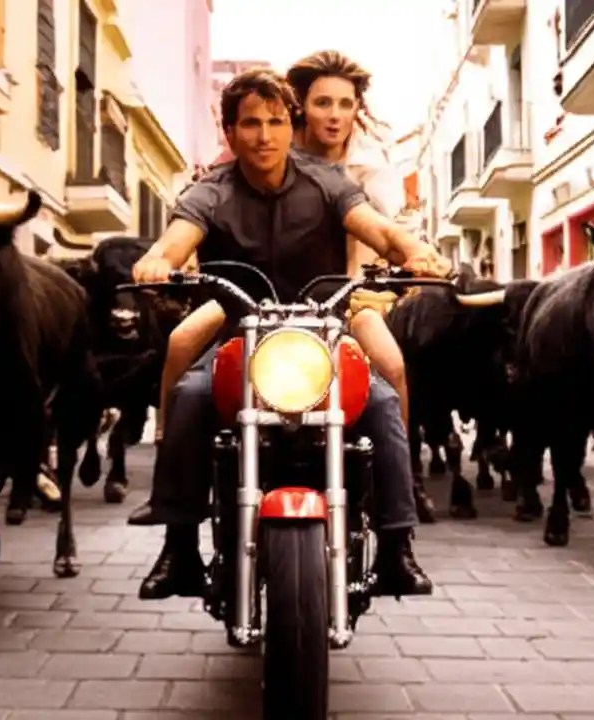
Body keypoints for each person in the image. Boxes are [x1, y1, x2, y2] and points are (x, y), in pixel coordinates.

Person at [129, 67, 450, 601]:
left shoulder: (327, 182)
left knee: (383, 397)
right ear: (229, 132)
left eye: (276, 121)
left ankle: (397, 547)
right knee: (189, 394)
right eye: (250, 123)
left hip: (321, 329)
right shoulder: (212, 191)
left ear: (289, 124)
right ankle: (179, 546)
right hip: (241, 328)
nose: (264, 135)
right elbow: (173, 242)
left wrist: (412, 250)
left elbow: (380, 228)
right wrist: (156, 261)